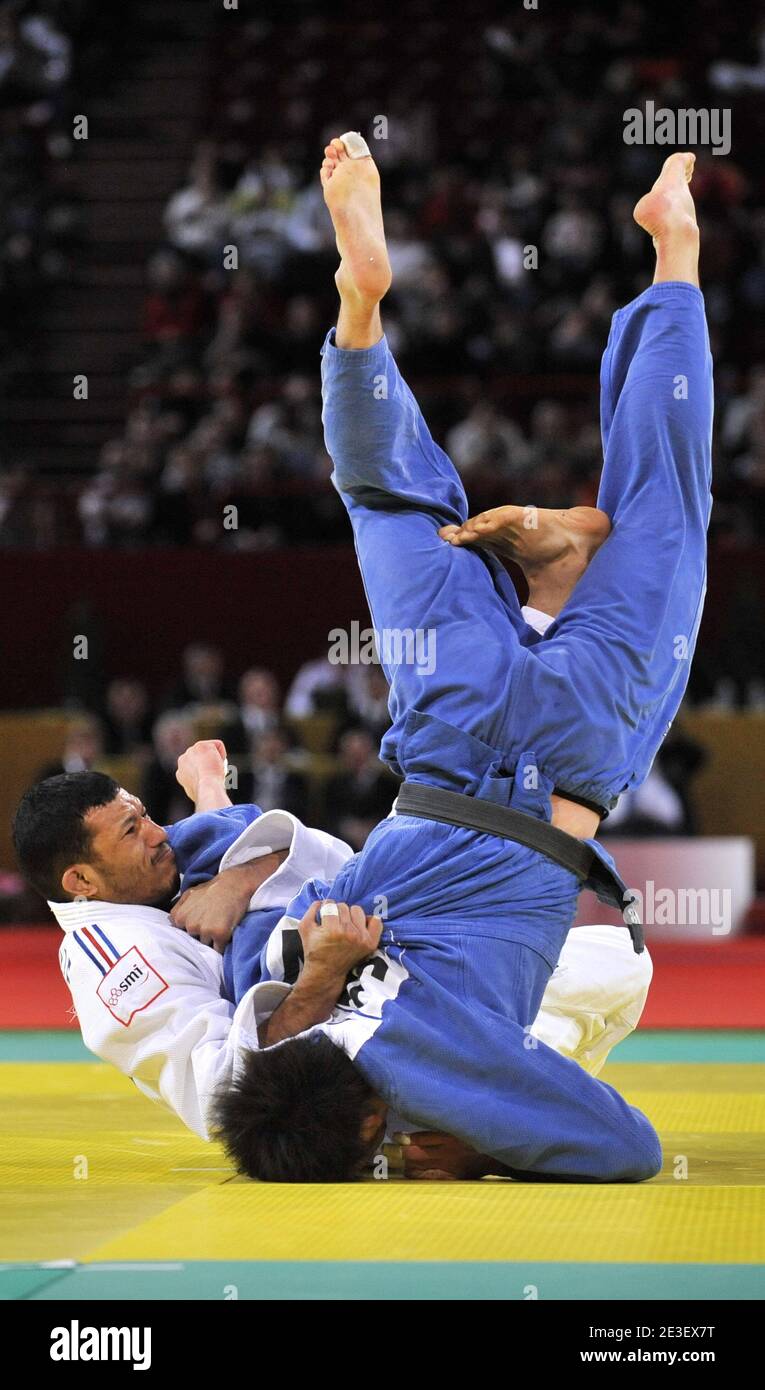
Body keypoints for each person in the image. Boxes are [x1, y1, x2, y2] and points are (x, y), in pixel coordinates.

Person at [211, 138, 712, 1183]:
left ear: (362, 1134)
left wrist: (472, 1146)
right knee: (393, 506)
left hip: (570, 761)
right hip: (447, 734)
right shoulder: (273, 1017)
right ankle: (360, 318)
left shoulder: (414, 1071)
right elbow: (250, 974)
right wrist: (317, 974)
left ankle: (676, 254)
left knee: (666, 513)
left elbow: (627, 1147)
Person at [11, 742, 651, 1175]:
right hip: (353, 1046)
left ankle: (494, 1113)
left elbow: (232, 842)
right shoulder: (121, 973)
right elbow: (230, 1099)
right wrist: (323, 970)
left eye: (146, 815)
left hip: (374, 949)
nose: (157, 833)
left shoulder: (146, 865)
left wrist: (228, 859)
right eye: (133, 832)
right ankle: (450, 1135)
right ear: (81, 882)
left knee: (621, 961)